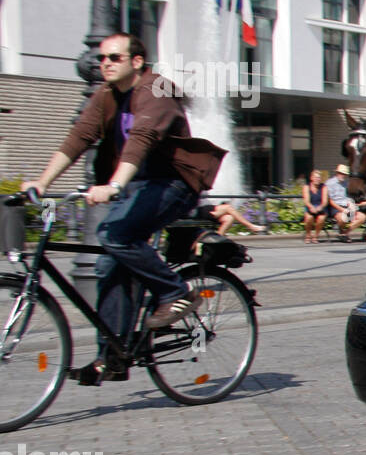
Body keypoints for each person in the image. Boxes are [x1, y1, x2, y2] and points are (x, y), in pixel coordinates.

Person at [21, 32, 225, 385]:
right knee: (108, 264)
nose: (105, 64)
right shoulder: (106, 95)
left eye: (114, 57)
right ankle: (112, 358)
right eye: (102, 59)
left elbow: (142, 138)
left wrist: (114, 185)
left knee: (114, 235)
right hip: (136, 185)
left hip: (173, 183)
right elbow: (79, 137)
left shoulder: (157, 89)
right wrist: (42, 183)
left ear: (136, 62)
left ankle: (178, 292)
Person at [325, 164, 364, 242]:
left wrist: (351, 207)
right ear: (337, 173)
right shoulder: (329, 183)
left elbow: (349, 197)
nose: (343, 175)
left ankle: (344, 233)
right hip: (335, 206)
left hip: (346, 205)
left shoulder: (346, 184)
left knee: (362, 217)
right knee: (343, 218)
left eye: (344, 174)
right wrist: (342, 209)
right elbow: (330, 200)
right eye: (341, 173)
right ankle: (341, 232)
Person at [195, 199, 266, 236]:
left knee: (229, 218)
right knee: (228, 207)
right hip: (199, 210)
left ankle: (218, 238)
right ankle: (251, 226)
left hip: (206, 209)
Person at [301, 170, 329, 243]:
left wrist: (320, 207)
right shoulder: (306, 187)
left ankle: (315, 236)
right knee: (309, 218)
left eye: (319, 178)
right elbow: (306, 201)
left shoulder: (324, 187)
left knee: (321, 218)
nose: (317, 179)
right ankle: (308, 235)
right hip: (310, 207)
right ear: (311, 178)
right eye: (315, 177)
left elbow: (325, 201)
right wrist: (311, 207)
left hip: (320, 207)